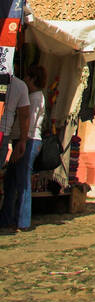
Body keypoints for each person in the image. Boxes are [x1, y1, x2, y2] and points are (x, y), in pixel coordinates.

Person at [0, 74, 31, 235]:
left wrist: (22, 140)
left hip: (4, 135)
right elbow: (24, 115)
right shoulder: (20, 86)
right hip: (3, 134)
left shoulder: (19, 86)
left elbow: (25, 115)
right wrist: (23, 140)